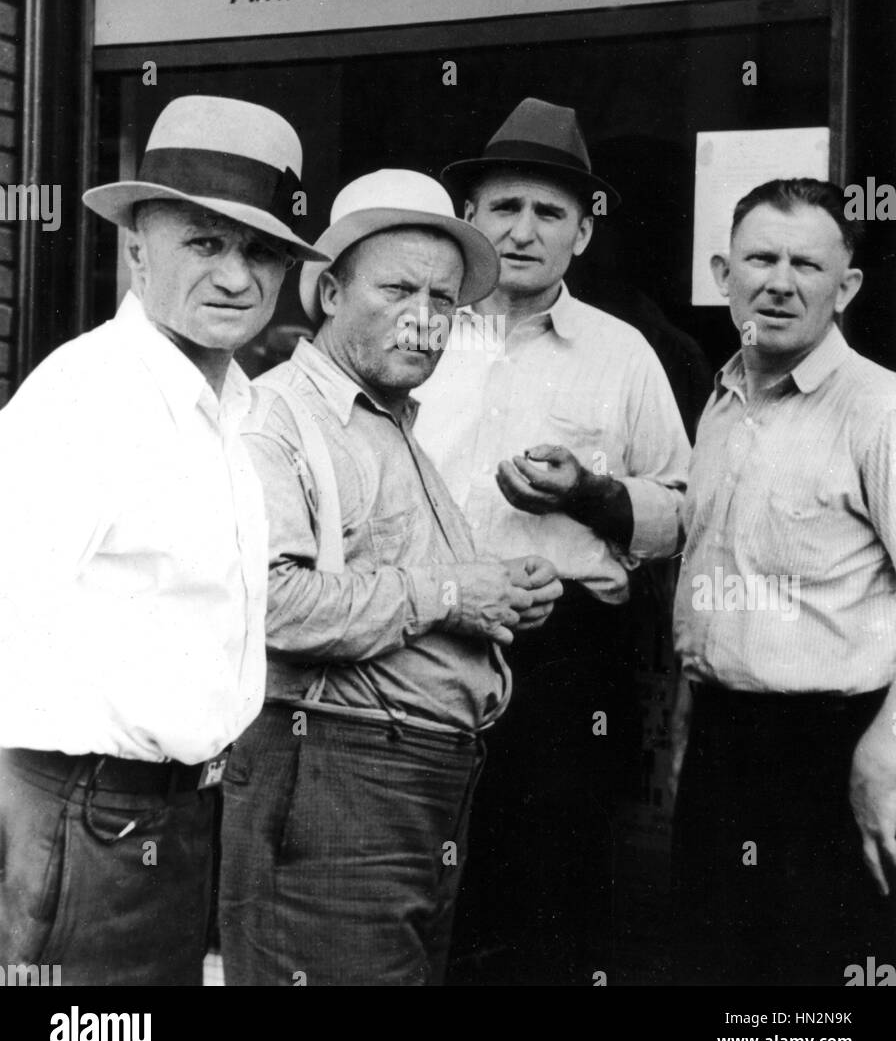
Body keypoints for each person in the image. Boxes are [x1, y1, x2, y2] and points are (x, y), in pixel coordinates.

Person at [0, 94, 325, 986]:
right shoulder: (88, 399)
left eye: (260, 251)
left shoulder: (231, 405)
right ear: (137, 249)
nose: (236, 277)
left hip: (177, 819)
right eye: (205, 243)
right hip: (83, 819)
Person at [218, 168, 563, 987]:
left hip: (407, 786)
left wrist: (496, 590)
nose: (424, 318)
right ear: (330, 292)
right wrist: (454, 592)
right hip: (334, 778)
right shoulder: (275, 417)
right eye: (399, 289)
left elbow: (399, 582)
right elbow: (273, 604)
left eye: (444, 299)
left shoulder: (390, 421)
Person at [414, 97, 690, 985]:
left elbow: (682, 511)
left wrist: (592, 495)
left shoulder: (623, 353)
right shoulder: (419, 337)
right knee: (422, 885)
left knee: (552, 897)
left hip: (567, 661)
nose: (524, 230)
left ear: (583, 232)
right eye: (504, 207)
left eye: (549, 212)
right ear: (469, 219)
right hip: (425, 640)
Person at [671, 177, 896, 987]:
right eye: (760, 259)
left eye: (807, 265)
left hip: (834, 749)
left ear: (848, 286)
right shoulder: (723, 401)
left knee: (813, 1001)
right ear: (722, 273)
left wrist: (888, 748)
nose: (779, 282)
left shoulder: (882, 411)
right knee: (718, 979)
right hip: (723, 744)